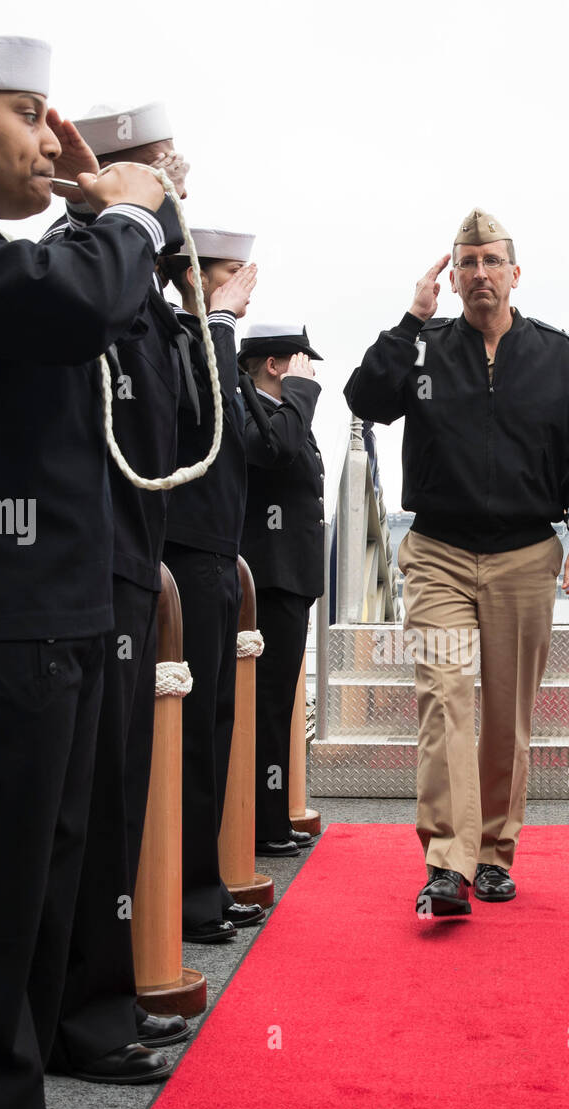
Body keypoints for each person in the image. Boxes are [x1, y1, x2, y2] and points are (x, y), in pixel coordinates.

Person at [0, 30, 168, 1109]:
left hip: (51, 619)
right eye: (26, 114)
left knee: (34, 916)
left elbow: (105, 310)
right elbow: (73, 299)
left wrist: (111, 217)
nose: (49, 140)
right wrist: (130, 212)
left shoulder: (7, 253)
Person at [345, 208, 569, 915]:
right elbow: (364, 399)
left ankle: (494, 851)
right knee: (443, 698)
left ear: (514, 273)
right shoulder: (423, 348)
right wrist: (408, 320)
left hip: (525, 555)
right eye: (467, 262)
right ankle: (446, 862)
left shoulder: (560, 357)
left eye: (492, 261)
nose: (480, 273)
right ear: (453, 275)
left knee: (506, 715)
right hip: (435, 553)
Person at [42, 99, 195, 1085]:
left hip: (128, 557)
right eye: (167, 168)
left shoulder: (133, 276)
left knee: (115, 792)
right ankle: (81, 1015)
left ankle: (99, 996)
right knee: (86, 802)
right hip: (84, 565)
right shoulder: (81, 269)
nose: (177, 187)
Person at [161, 228, 266, 943]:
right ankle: (185, 896)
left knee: (217, 728)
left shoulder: (213, 345)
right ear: (195, 277)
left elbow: (254, 439)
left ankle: (203, 884)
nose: (245, 285)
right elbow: (206, 417)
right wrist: (220, 323)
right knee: (191, 735)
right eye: (230, 274)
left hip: (220, 557)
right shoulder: (180, 338)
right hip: (187, 550)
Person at [238, 324, 326, 856]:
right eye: (301, 361)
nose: (310, 370)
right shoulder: (255, 409)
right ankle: (261, 824)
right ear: (276, 364)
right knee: (266, 705)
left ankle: (269, 816)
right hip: (268, 580)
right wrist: (301, 391)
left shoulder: (280, 412)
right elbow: (278, 451)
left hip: (288, 579)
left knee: (274, 704)